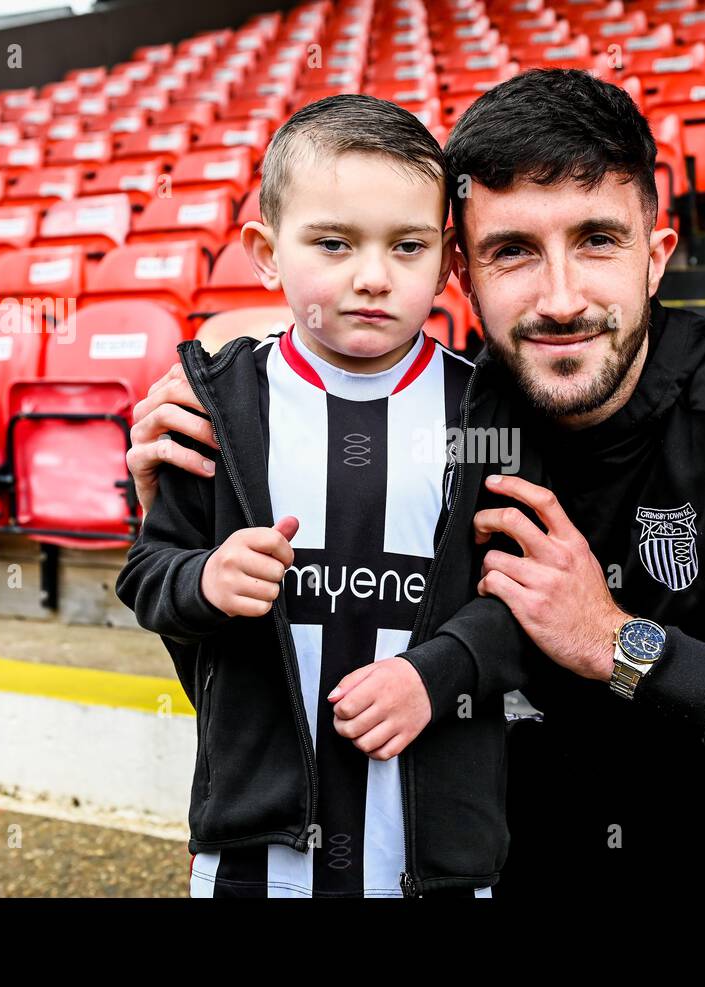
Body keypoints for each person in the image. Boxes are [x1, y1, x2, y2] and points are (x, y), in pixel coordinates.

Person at [127, 70, 705, 898]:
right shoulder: (449, 420)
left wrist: (623, 646)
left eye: (597, 240)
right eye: (513, 253)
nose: (563, 298)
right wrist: (208, 498)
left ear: (656, 256)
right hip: (525, 857)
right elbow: (289, 671)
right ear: (459, 275)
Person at [116, 94, 541, 898]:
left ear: (448, 259)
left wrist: (440, 671)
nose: (372, 277)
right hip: (254, 849)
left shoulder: (488, 410)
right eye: (334, 244)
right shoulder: (215, 406)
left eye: (407, 246)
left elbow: (530, 599)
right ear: (266, 252)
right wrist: (204, 580)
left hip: (437, 852)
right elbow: (147, 572)